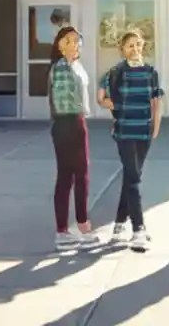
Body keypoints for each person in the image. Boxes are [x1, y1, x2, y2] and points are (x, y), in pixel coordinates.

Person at [96, 29, 162, 252]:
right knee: (133, 179)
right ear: (122, 50)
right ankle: (138, 229)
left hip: (144, 131)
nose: (135, 49)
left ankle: (118, 226)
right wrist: (117, 106)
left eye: (138, 44)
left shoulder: (151, 72)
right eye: (130, 45)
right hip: (124, 131)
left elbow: (156, 101)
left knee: (131, 177)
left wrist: (156, 126)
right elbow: (101, 99)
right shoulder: (115, 72)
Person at [49, 24, 100, 250]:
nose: (74, 44)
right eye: (68, 41)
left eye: (77, 40)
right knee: (79, 175)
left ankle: (64, 230)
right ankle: (81, 226)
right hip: (69, 122)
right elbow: (65, 100)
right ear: (60, 46)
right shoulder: (62, 68)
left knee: (70, 176)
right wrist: (78, 119)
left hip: (73, 121)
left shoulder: (75, 65)